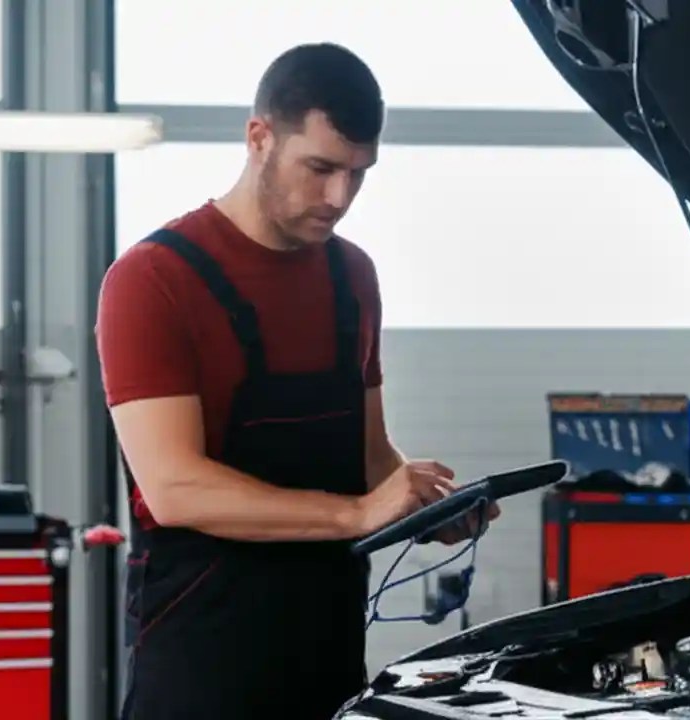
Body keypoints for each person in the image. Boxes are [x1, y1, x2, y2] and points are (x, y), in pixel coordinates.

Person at [96, 43, 499, 719]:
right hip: (202, 669)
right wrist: (354, 514)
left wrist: (426, 507)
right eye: (319, 168)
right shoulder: (152, 281)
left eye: (357, 173)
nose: (339, 196)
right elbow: (174, 488)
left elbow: (370, 459)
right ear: (259, 138)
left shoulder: (353, 279)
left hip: (327, 660)